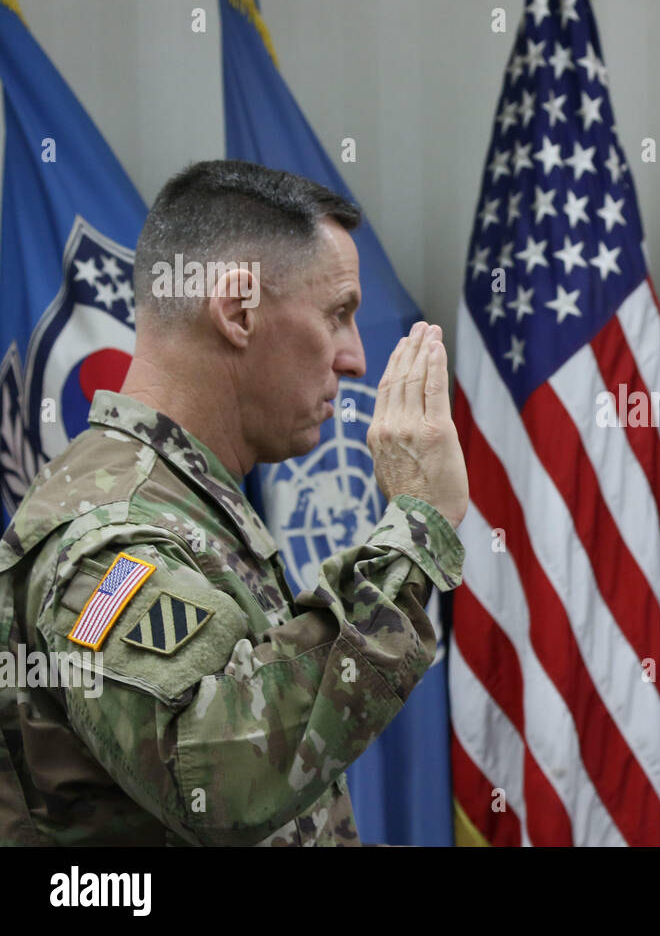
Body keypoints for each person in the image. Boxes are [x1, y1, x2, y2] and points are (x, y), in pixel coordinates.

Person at [0, 160, 468, 846]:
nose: (356, 358)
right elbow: (213, 774)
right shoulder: (110, 532)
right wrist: (414, 537)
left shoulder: (190, 500)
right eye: (337, 315)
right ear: (238, 311)